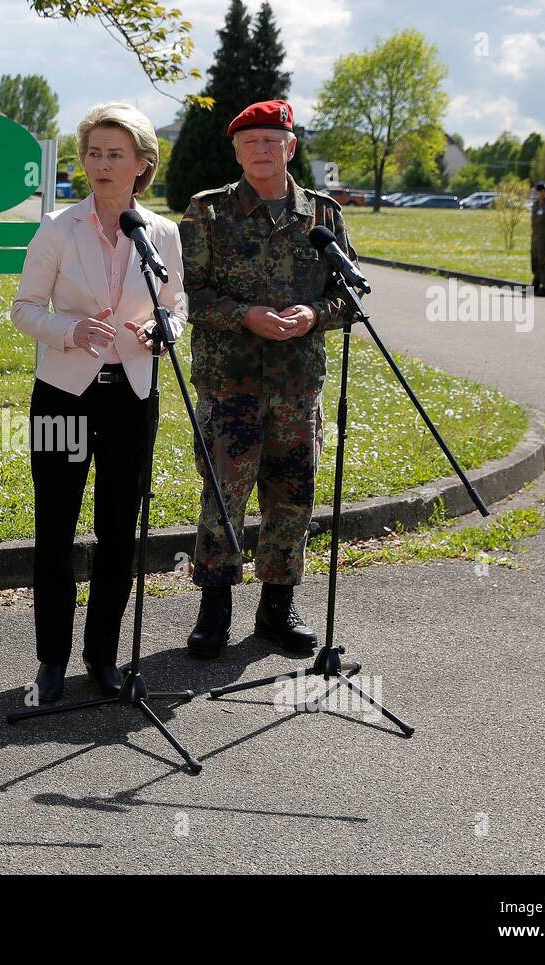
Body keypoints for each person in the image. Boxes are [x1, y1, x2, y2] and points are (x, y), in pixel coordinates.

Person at [11, 103, 187, 702]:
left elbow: (177, 304)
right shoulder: (58, 229)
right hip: (63, 397)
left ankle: (103, 656)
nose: (102, 165)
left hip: (133, 396)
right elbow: (24, 308)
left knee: (119, 531)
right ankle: (52, 661)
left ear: (142, 165)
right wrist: (69, 329)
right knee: (55, 531)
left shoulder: (161, 233)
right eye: (93, 153)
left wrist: (164, 329)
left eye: (116, 155)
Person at [179, 98, 357, 659]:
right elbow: (188, 293)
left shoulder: (322, 215)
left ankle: (277, 609)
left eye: (271, 141)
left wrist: (313, 316)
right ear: (236, 150)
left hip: (296, 386)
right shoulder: (207, 213)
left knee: (292, 496)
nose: (261, 150)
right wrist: (246, 316)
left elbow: (348, 295)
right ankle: (214, 611)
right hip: (229, 384)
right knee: (223, 497)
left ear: (291, 147)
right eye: (250, 142)